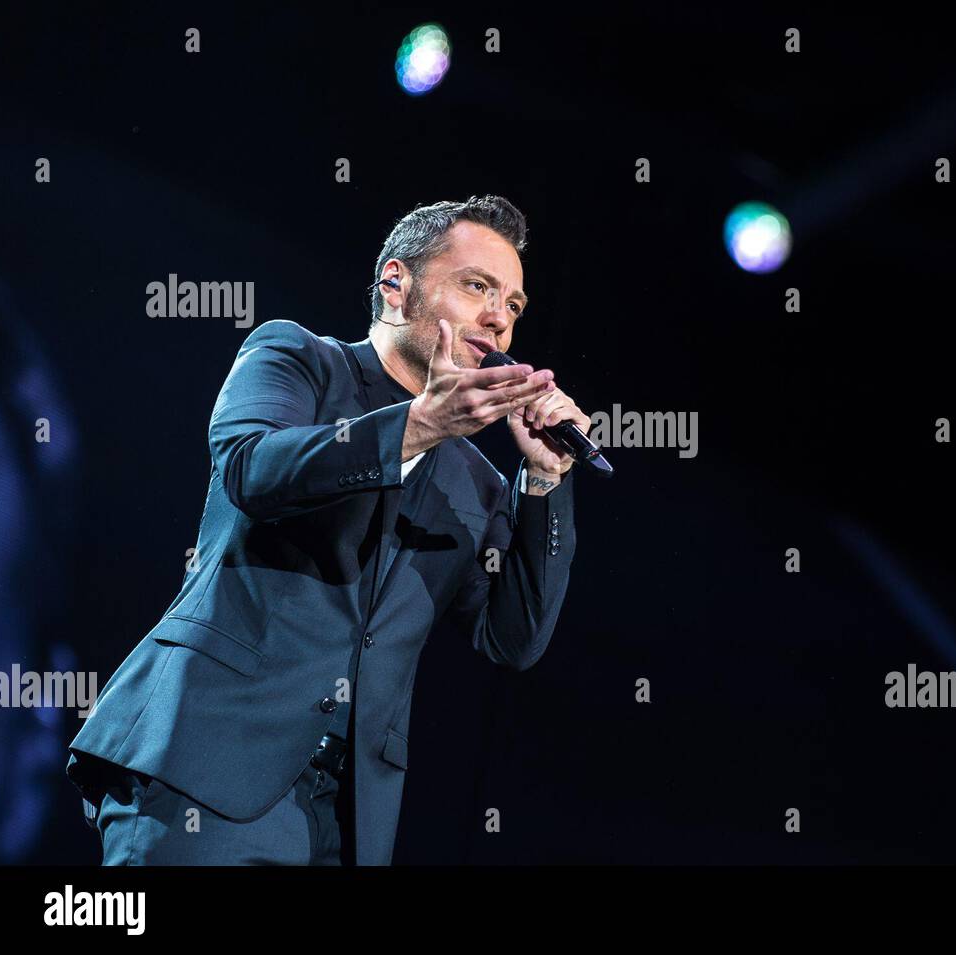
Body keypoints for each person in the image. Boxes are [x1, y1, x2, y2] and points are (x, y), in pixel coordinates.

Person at [65, 195, 588, 865]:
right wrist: (418, 426)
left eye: (514, 305)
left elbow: (511, 638)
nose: (500, 318)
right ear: (396, 286)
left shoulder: (478, 484)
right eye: (477, 286)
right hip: (207, 769)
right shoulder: (298, 359)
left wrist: (543, 482)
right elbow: (253, 469)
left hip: (343, 821)